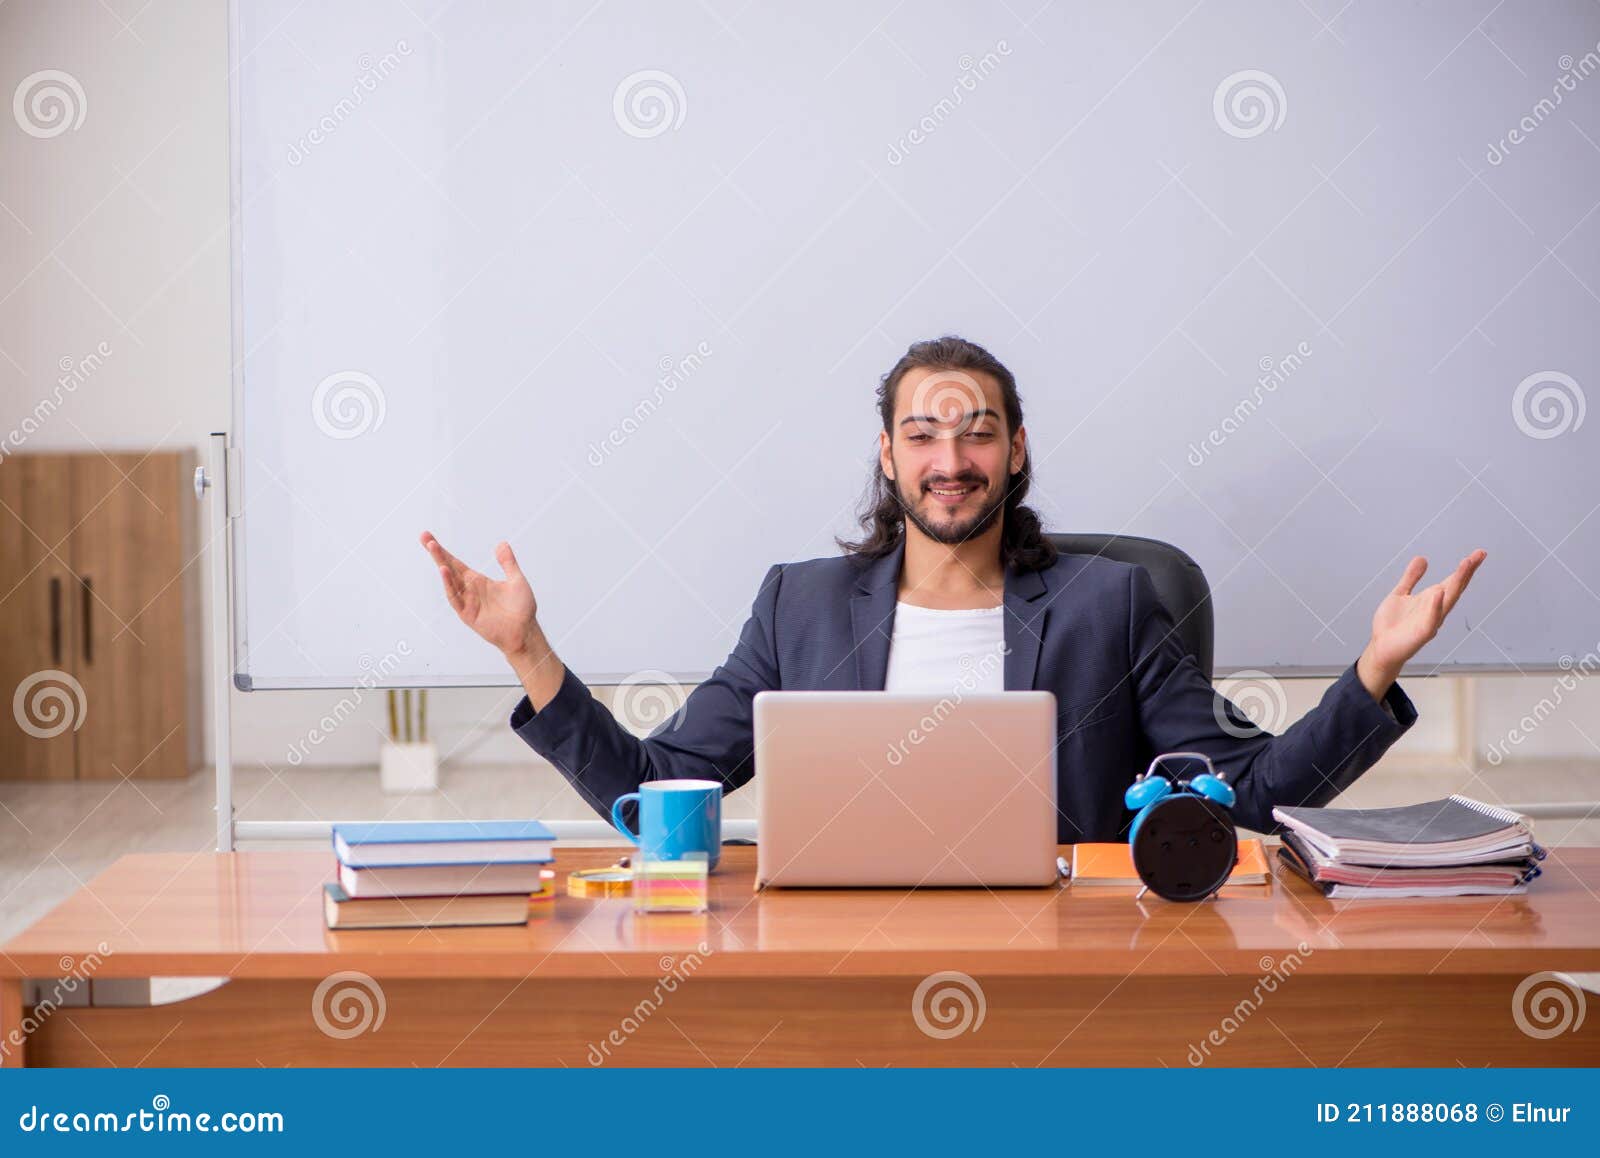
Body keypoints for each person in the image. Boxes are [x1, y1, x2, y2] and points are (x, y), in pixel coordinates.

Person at [420, 335, 1486, 840]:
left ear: (1016, 452)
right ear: (887, 456)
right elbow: (652, 797)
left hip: (1066, 954)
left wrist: (1374, 668)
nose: (951, 458)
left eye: (977, 431)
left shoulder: (1107, 605)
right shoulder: (799, 605)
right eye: (923, 433)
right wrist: (528, 655)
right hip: (842, 947)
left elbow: (1251, 795)